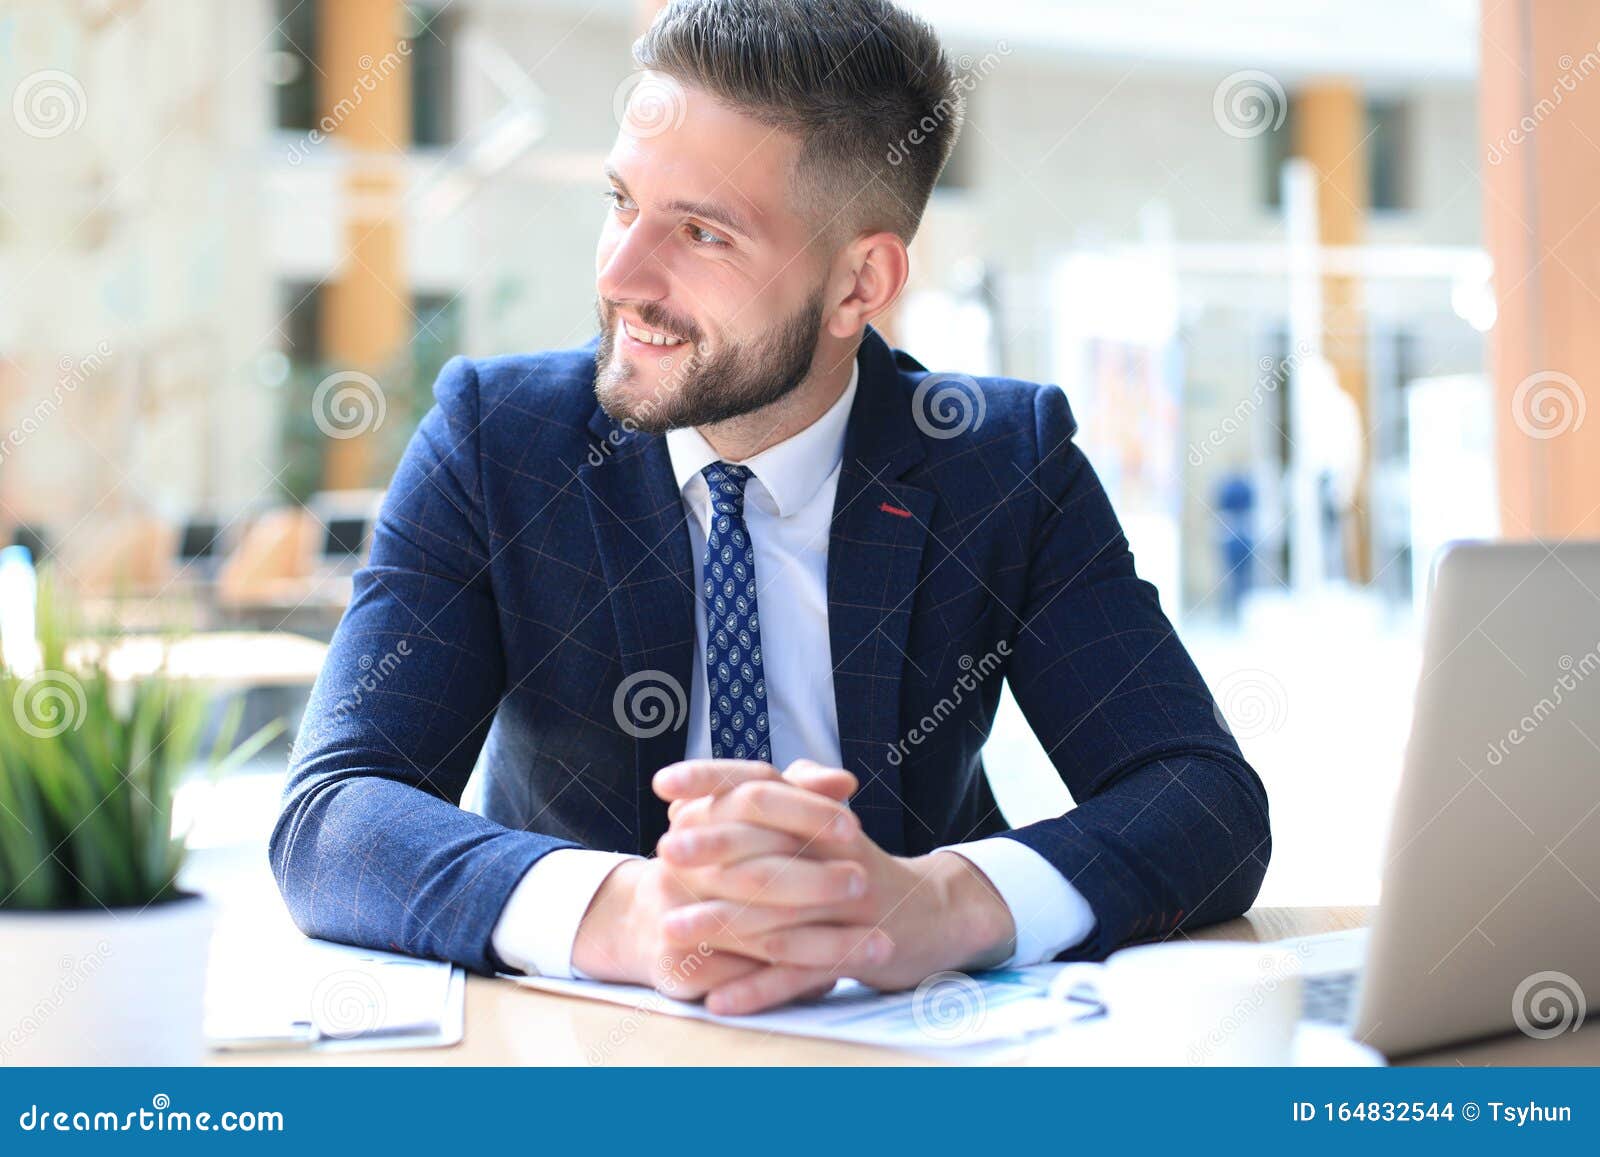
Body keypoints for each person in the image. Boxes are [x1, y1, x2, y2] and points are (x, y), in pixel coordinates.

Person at [271, 0, 1270, 1017]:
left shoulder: (1001, 463)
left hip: (914, 1057)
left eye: (701, 232)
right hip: (586, 1054)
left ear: (858, 284)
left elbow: (1202, 799)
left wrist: (932, 904)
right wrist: (632, 912)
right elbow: (333, 812)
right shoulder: (497, 443)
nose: (620, 276)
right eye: (622, 202)